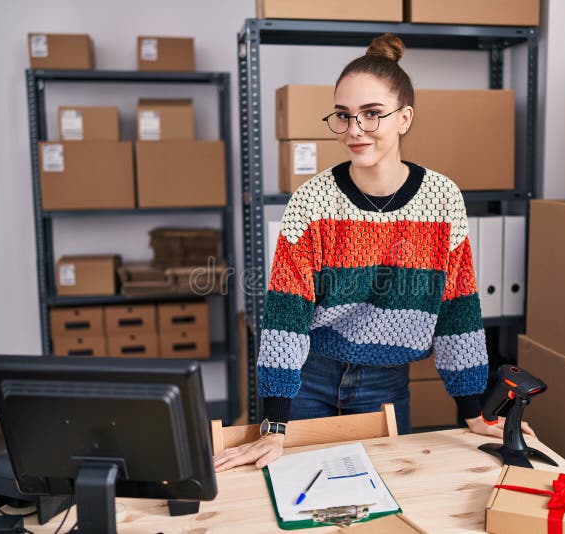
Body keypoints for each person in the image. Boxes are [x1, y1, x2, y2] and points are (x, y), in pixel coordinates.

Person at [215, 33, 533, 473]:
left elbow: (458, 308)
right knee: (303, 496)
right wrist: (273, 424)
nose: (354, 130)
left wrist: (473, 408)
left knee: (384, 497)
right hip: (310, 377)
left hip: (386, 382)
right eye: (343, 116)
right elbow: (285, 315)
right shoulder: (311, 201)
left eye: (371, 114)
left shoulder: (442, 198)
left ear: (405, 117)